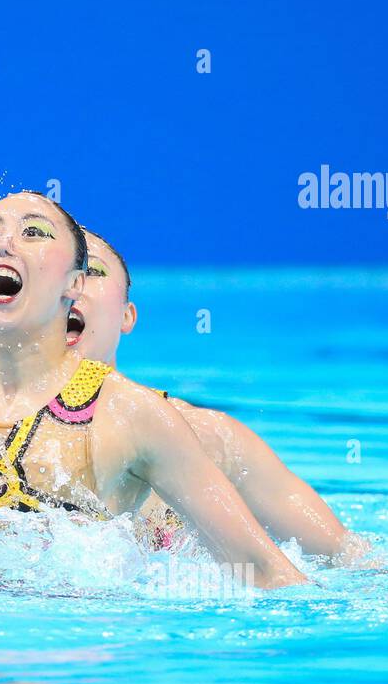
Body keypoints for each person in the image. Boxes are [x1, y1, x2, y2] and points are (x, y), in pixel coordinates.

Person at [0, 192, 309, 588]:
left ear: (75, 283)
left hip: (74, 673)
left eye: (33, 232)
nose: (4, 244)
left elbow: (265, 571)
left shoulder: (134, 416)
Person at [69, 229, 370, 564]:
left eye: (91, 272)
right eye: (60, 275)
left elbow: (348, 559)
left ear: (126, 316)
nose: (72, 287)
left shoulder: (208, 439)